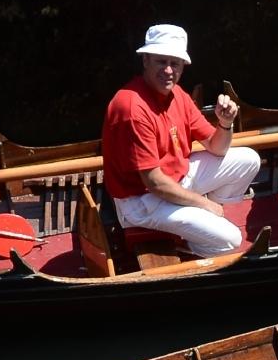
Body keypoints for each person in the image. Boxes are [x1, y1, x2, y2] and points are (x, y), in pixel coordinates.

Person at [102, 24, 265, 259]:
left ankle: (205, 225)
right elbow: (154, 183)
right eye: (161, 61)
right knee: (232, 240)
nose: (168, 70)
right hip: (142, 201)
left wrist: (225, 122)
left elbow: (216, 147)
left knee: (249, 159)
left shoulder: (178, 94)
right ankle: (198, 247)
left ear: (182, 68)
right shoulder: (131, 108)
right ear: (145, 60)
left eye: (175, 63)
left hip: (177, 180)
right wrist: (204, 204)